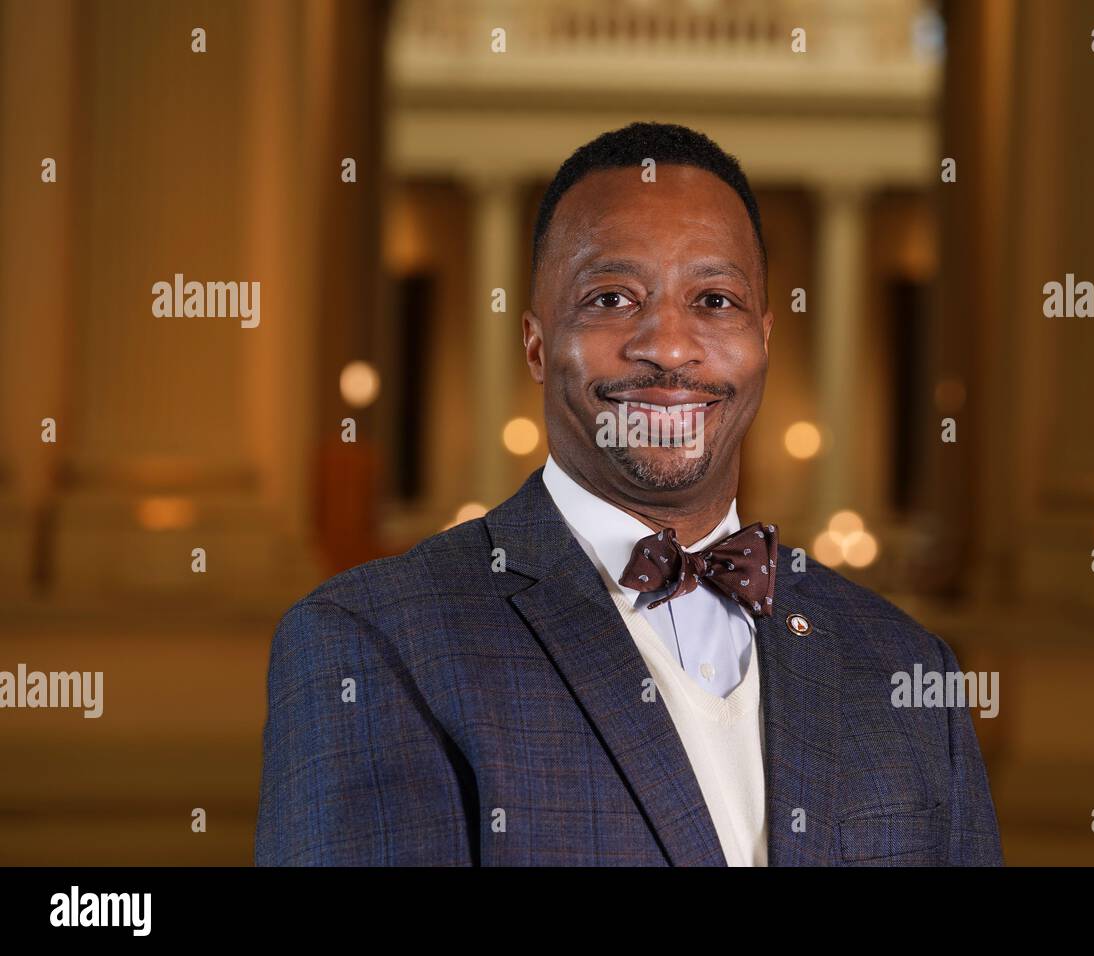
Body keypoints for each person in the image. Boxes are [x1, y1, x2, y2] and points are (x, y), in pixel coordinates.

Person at [255, 121, 1003, 866]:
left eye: (715, 300)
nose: (669, 347)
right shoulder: (374, 643)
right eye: (612, 298)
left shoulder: (909, 666)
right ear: (538, 345)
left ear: (764, 341)